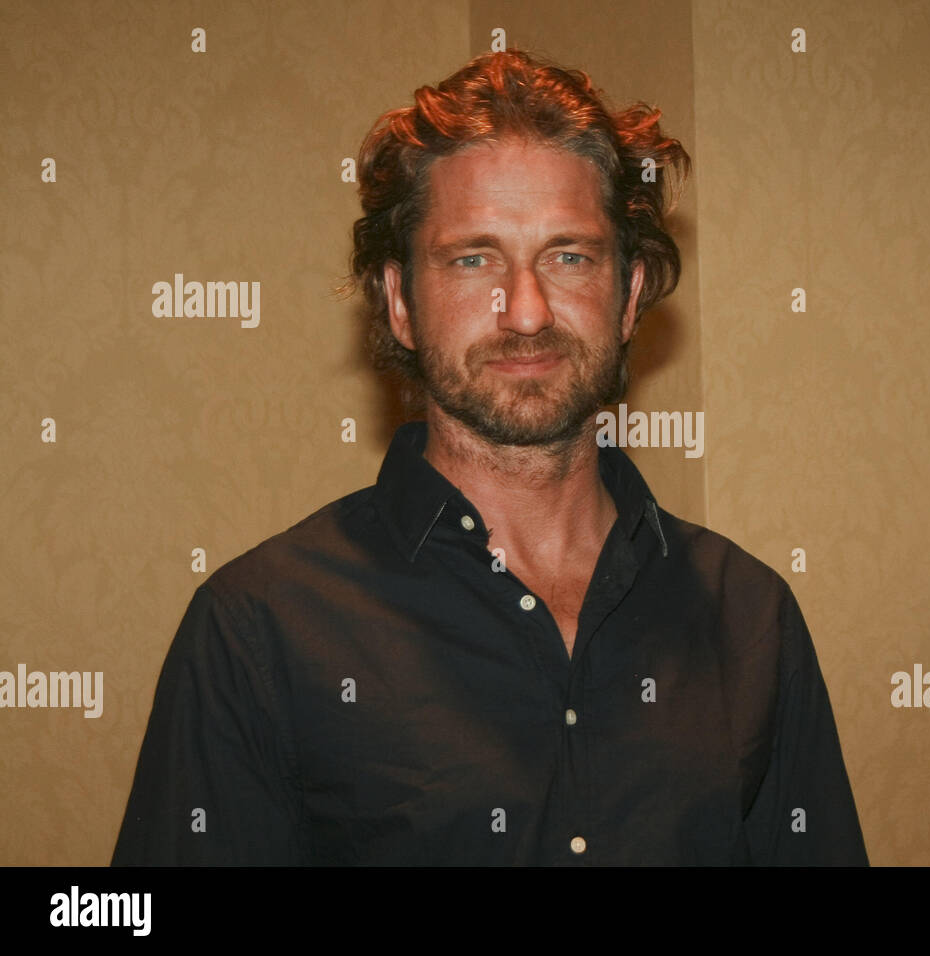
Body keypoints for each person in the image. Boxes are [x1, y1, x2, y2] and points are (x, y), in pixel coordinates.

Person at [112, 48, 868, 866]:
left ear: (631, 294)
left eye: (568, 256)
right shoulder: (258, 629)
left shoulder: (749, 617)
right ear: (400, 302)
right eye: (474, 259)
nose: (527, 310)